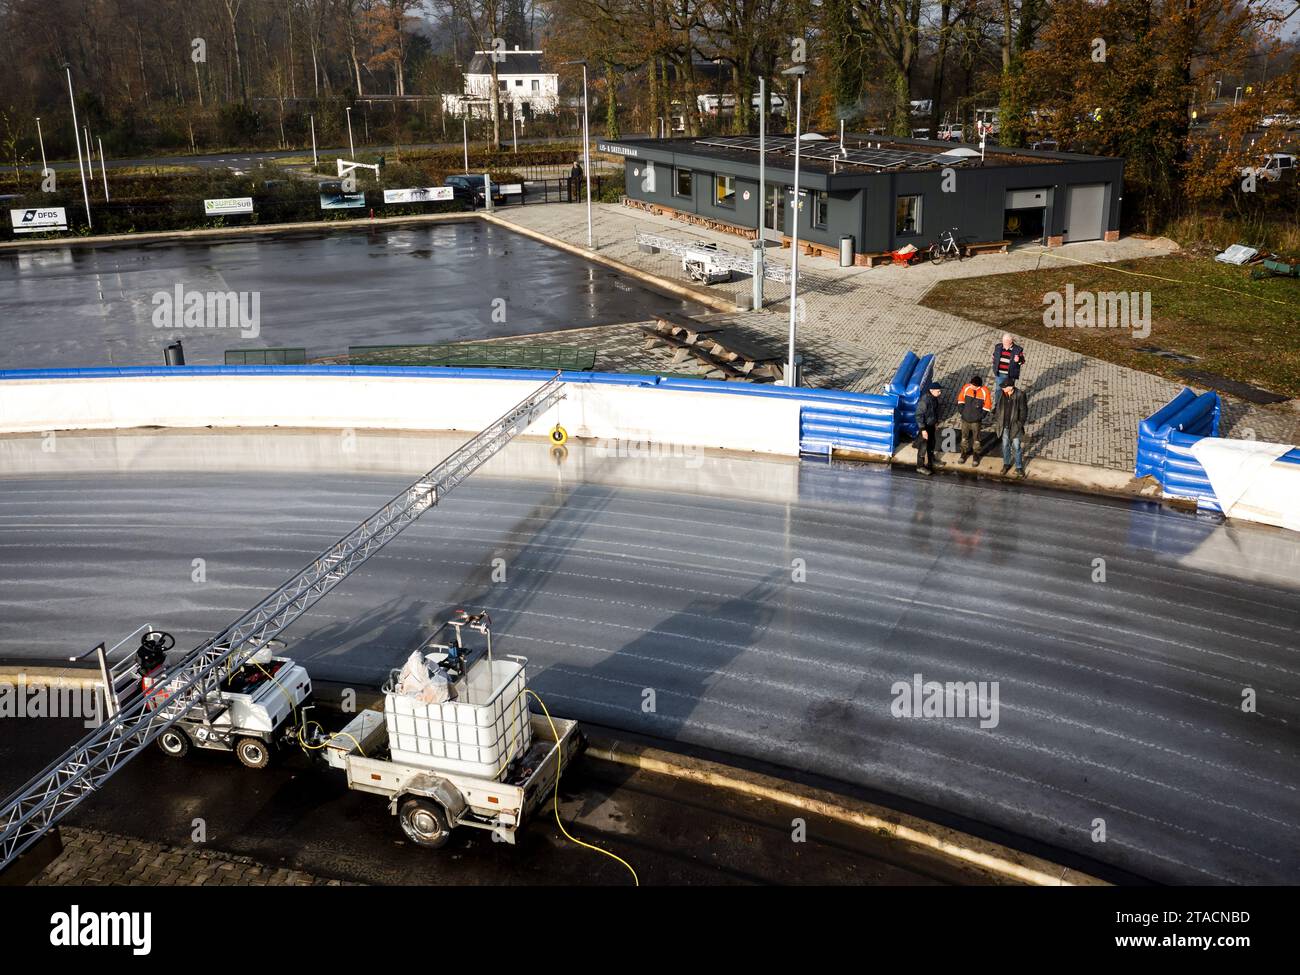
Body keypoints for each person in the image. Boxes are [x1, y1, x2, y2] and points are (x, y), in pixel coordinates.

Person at [990, 380, 1028, 477]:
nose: (1002, 389)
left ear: (1010, 387)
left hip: (1015, 426)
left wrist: (1019, 424)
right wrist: (996, 416)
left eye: (1004, 387)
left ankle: (1019, 467)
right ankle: (1006, 464)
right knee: (1005, 445)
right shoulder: (1001, 394)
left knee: (1017, 447)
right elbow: (998, 406)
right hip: (1004, 425)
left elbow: (1023, 411)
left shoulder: (1020, 395)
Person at [956, 374, 993, 464]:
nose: (971, 386)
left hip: (976, 421)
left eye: (973, 385)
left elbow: (987, 405)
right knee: (964, 438)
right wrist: (962, 411)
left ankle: (976, 455)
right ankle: (963, 453)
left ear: (978, 386)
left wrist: (981, 416)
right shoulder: (966, 387)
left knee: (976, 439)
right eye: (971, 384)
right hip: (965, 419)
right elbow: (960, 399)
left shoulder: (985, 391)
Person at [913, 382, 944, 475]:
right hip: (925, 427)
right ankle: (920, 466)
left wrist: (935, 423)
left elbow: (934, 412)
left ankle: (931, 461)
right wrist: (923, 430)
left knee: (931, 444)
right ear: (931, 391)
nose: (940, 393)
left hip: (931, 425)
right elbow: (918, 415)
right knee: (923, 447)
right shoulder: (924, 401)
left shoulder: (934, 398)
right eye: (938, 391)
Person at [991, 333, 1025, 400]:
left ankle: (1009, 403)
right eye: (1003, 341)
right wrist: (994, 358)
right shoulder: (998, 347)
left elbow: (1022, 361)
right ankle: (997, 405)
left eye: (1006, 342)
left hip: (1010, 374)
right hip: (999, 373)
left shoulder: (1017, 350)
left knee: (1009, 391)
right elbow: (995, 355)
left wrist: (1018, 360)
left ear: (1011, 341)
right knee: (998, 390)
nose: (1004, 343)